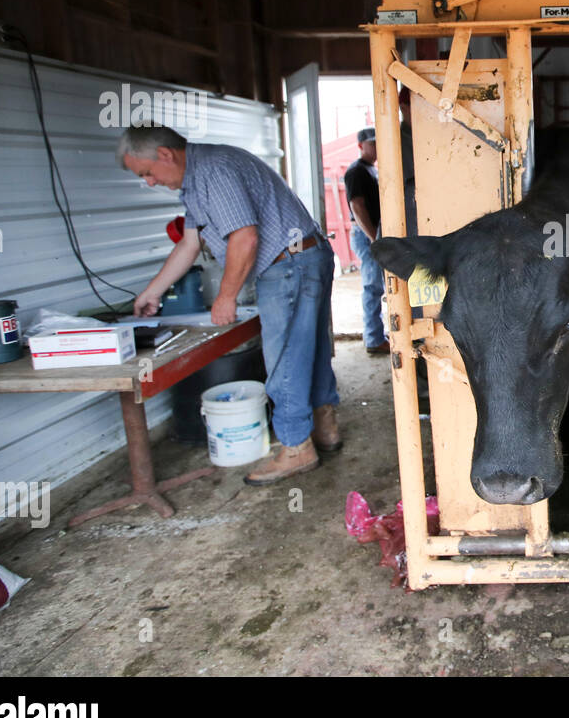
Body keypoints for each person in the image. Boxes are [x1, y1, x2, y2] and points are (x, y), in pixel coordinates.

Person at [117, 123, 342, 486]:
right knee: (307, 351)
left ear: (164, 154)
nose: (150, 182)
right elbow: (189, 245)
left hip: (288, 266)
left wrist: (226, 295)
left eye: (146, 173)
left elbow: (245, 237)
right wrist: (152, 292)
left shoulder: (214, 171)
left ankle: (296, 446)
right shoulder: (195, 180)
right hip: (302, 259)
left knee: (285, 358)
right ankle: (324, 428)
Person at [344, 125, 389, 355]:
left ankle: (379, 334)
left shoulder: (371, 170)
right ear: (361, 146)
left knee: (379, 285)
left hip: (372, 232)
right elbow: (357, 205)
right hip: (366, 234)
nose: (376, 148)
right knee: (372, 286)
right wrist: (373, 237)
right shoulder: (356, 171)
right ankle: (373, 338)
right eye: (372, 144)